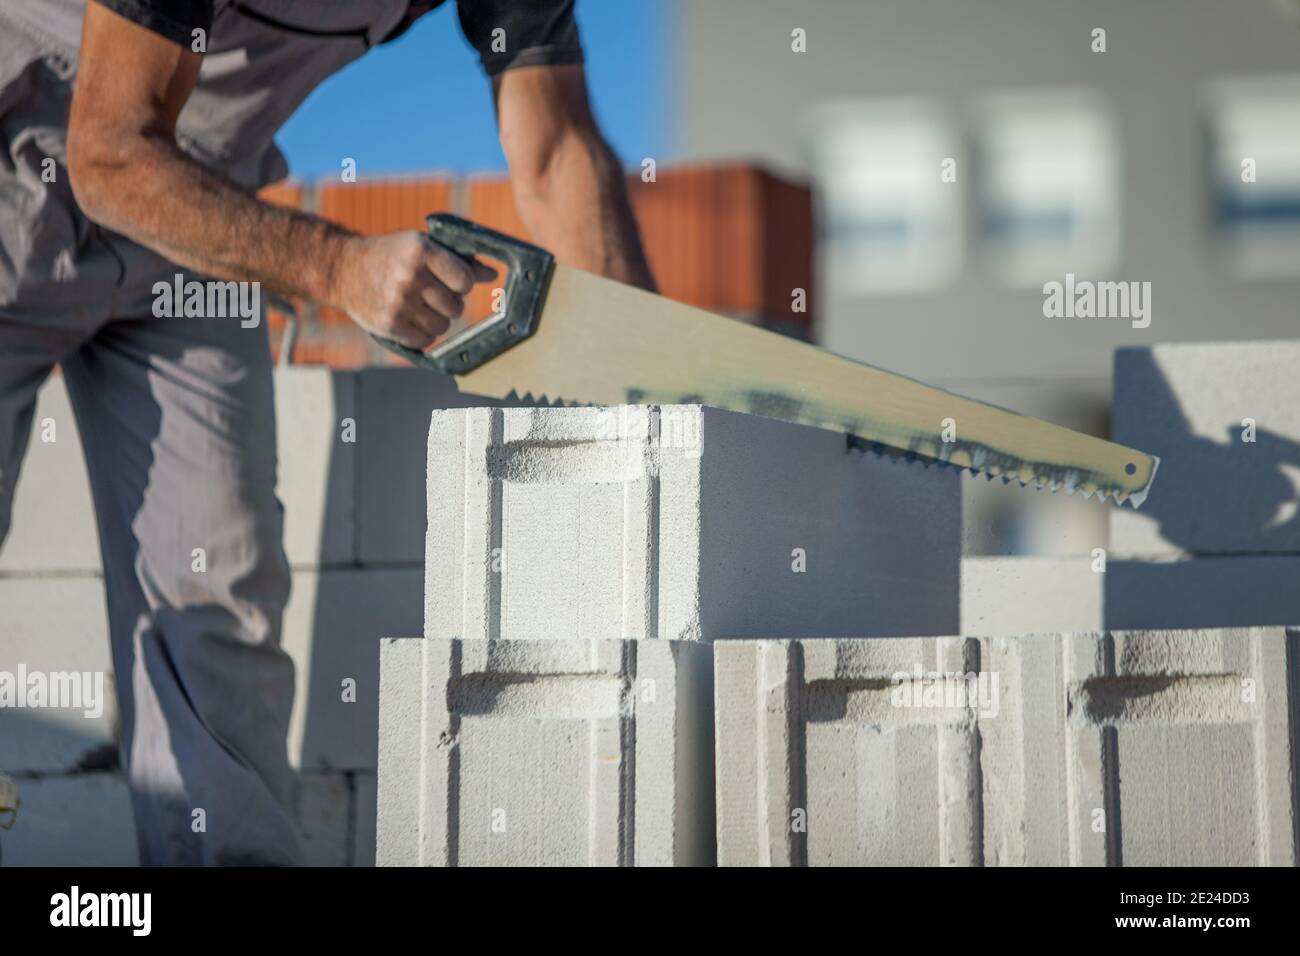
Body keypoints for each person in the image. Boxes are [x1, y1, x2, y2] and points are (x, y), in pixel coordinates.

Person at [0, 0, 654, 865]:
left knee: (218, 590)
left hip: (194, 214)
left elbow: (558, 152)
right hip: (25, 171)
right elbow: (109, 153)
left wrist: (657, 406)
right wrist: (339, 266)